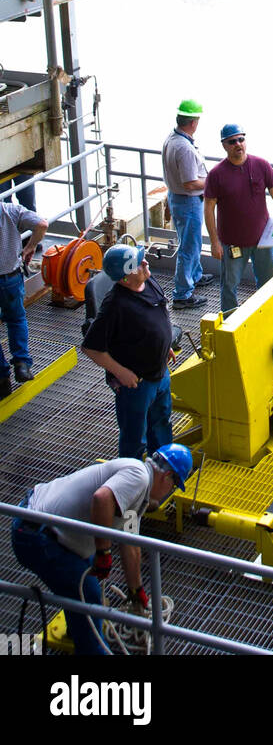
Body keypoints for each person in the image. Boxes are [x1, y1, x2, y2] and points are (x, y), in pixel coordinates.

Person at [11, 444, 192, 656]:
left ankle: (78, 626)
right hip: (35, 534)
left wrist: (136, 592)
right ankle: (91, 650)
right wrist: (103, 552)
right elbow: (102, 498)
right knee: (89, 594)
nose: (168, 492)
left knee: (87, 579)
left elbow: (129, 543)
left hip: (36, 525)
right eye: (173, 485)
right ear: (167, 476)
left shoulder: (137, 493)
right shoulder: (138, 477)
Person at [81, 244, 178, 459]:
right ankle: (131, 481)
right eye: (138, 264)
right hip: (137, 384)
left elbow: (158, 312)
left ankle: (162, 470)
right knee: (134, 438)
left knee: (162, 424)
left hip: (160, 372)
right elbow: (90, 347)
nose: (145, 263)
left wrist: (164, 345)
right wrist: (120, 372)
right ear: (125, 279)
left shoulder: (148, 281)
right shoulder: (115, 305)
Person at [204, 125, 273, 315]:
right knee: (230, 285)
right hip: (232, 243)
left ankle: (269, 316)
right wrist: (214, 242)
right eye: (232, 141)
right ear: (224, 145)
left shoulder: (261, 165)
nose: (238, 144)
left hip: (263, 239)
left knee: (268, 282)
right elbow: (209, 208)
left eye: (241, 139)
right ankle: (229, 321)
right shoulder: (216, 175)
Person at [162, 98, 209, 309]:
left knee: (191, 242)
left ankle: (195, 276)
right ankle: (182, 294)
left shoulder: (171, 140)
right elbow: (190, 183)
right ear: (193, 123)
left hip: (177, 198)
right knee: (189, 247)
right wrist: (212, 183)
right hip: (188, 201)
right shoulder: (185, 149)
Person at [0, 199, 47, 399]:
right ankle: (22, 364)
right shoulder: (9, 210)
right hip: (10, 278)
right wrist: (31, 245)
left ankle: (2, 378)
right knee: (16, 319)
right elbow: (42, 224)